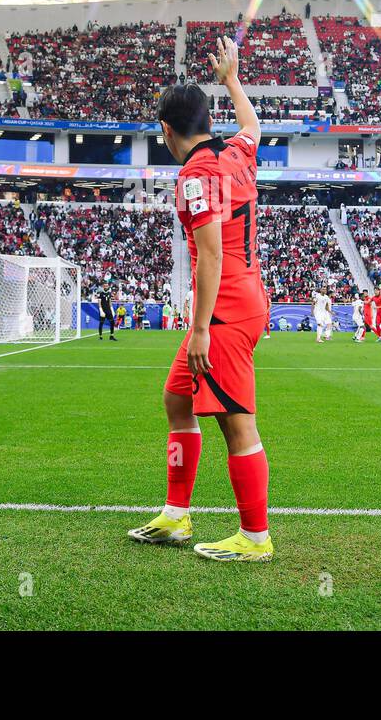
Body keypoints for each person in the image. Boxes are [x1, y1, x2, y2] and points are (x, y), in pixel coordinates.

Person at [128, 36, 274, 562]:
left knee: (236, 420)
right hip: (244, 296)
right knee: (177, 399)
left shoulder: (196, 173)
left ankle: (255, 538)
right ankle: (176, 515)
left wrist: (201, 328)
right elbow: (254, 128)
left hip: (228, 308)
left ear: (166, 131)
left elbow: (208, 254)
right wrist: (233, 79)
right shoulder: (234, 153)